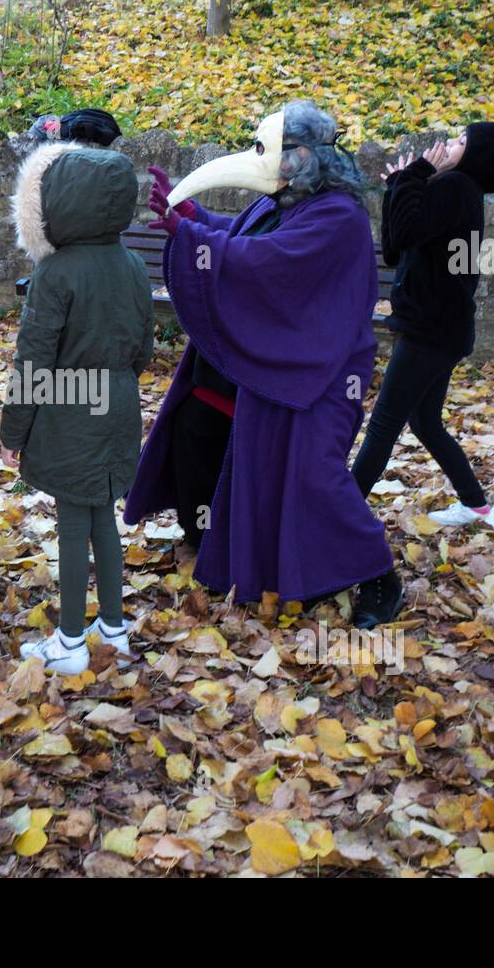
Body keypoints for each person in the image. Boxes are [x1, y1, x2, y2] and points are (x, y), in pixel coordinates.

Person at [124, 100, 403, 628]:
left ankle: (379, 577)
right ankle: (271, 564)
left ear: (300, 156)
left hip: (323, 369)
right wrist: (194, 218)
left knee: (315, 473)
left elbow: (273, 262)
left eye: (265, 149)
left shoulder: (337, 217)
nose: (257, 158)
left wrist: (193, 238)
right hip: (289, 363)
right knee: (263, 459)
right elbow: (244, 237)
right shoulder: (287, 201)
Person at [1, 142, 155, 675]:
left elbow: (33, 360)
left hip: (70, 408)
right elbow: (144, 349)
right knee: (103, 517)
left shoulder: (56, 272)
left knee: (71, 522)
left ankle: (68, 642)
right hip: (119, 403)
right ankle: (112, 626)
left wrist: (14, 431)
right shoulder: (133, 264)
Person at [351, 122, 494, 528]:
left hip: (432, 330)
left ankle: (340, 514)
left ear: (476, 156)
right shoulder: (453, 190)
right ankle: (476, 505)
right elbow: (396, 246)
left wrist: (414, 174)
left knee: (383, 423)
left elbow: (405, 230)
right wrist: (400, 183)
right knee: (424, 421)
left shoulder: (457, 189)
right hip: (441, 328)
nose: (449, 144)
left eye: (462, 141)